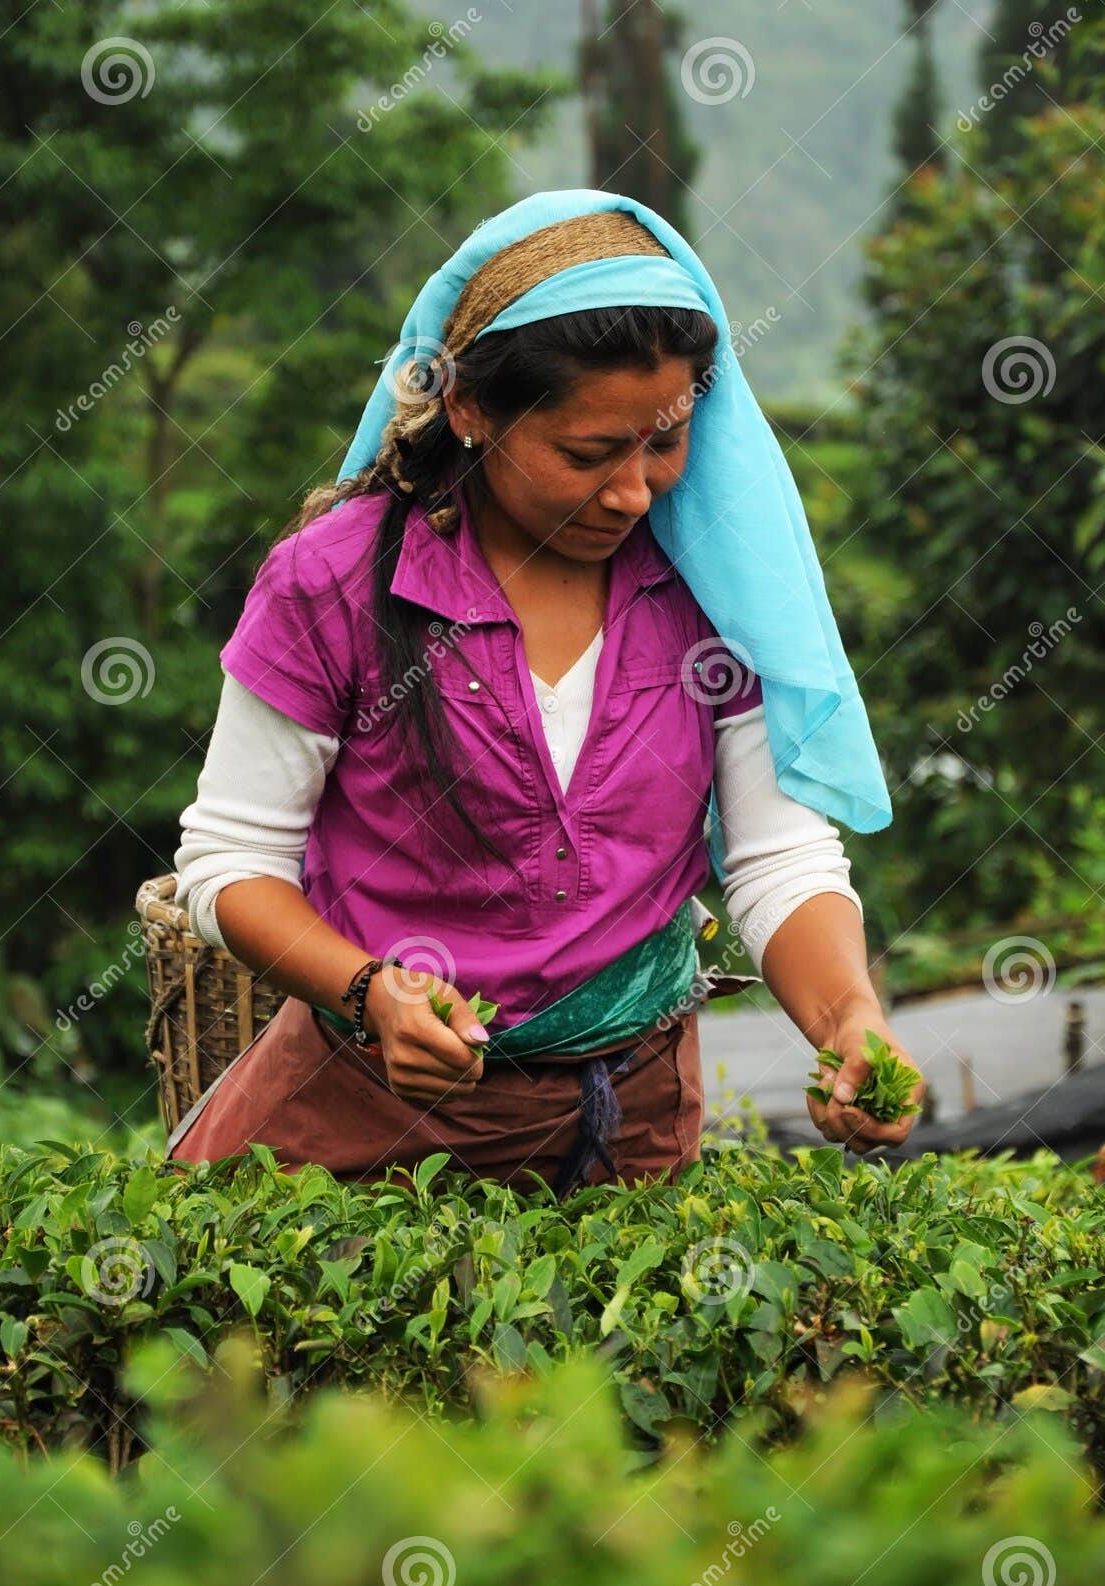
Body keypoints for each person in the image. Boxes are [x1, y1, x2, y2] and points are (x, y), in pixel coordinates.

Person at [165, 191, 925, 1198]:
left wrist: (847, 1018)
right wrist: (369, 991)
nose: (632, 491)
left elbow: (777, 855)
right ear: (471, 408)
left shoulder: (709, 582)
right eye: (586, 452)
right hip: (360, 1119)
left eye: (663, 440)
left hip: (626, 1129)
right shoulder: (334, 583)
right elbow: (232, 860)